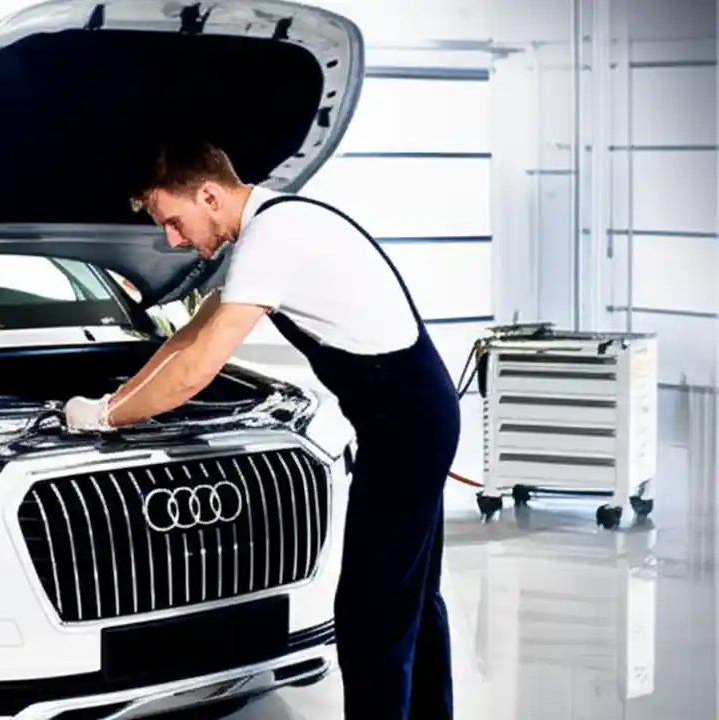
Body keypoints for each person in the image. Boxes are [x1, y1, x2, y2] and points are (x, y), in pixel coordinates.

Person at [63, 140, 460, 720]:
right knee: (413, 597)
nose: (173, 240)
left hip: (407, 425)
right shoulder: (274, 226)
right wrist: (114, 398)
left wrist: (103, 420)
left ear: (208, 193)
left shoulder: (274, 239)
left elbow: (197, 372)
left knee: (373, 612)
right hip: (413, 413)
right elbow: (188, 338)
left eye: (173, 221)